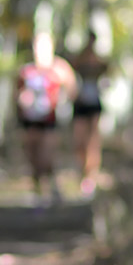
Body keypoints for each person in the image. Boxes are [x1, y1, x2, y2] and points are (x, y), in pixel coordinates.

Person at [15, 27, 75, 205]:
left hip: (50, 120)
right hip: (30, 120)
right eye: (36, 46)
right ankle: (39, 193)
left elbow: (72, 90)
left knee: (46, 157)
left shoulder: (60, 68)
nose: (38, 51)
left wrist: (63, 101)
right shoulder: (26, 71)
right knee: (33, 158)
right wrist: (21, 100)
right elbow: (17, 93)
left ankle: (53, 189)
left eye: (43, 46)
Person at [68, 37, 108, 198]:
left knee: (93, 141)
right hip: (80, 104)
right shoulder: (80, 60)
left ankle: (91, 175)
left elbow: (107, 72)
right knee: (79, 140)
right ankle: (82, 169)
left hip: (94, 104)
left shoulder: (99, 62)